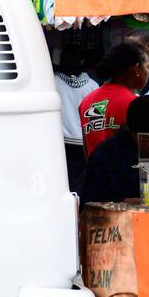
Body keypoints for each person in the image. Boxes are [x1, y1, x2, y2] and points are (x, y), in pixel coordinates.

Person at [78, 96, 149, 205]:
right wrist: (123, 202)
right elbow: (91, 202)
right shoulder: (106, 156)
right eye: (146, 139)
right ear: (131, 131)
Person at [78, 42, 149, 156]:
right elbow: (144, 150)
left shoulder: (86, 101)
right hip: (126, 172)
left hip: (95, 171)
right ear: (136, 69)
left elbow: (86, 151)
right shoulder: (135, 104)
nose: (147, 72)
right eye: (147, 66)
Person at [53, 45, 97, 192]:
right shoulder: (92, 86)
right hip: (81, 142)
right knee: (79, 183)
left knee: (61, 180)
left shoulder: (53, 82)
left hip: (61, 141)